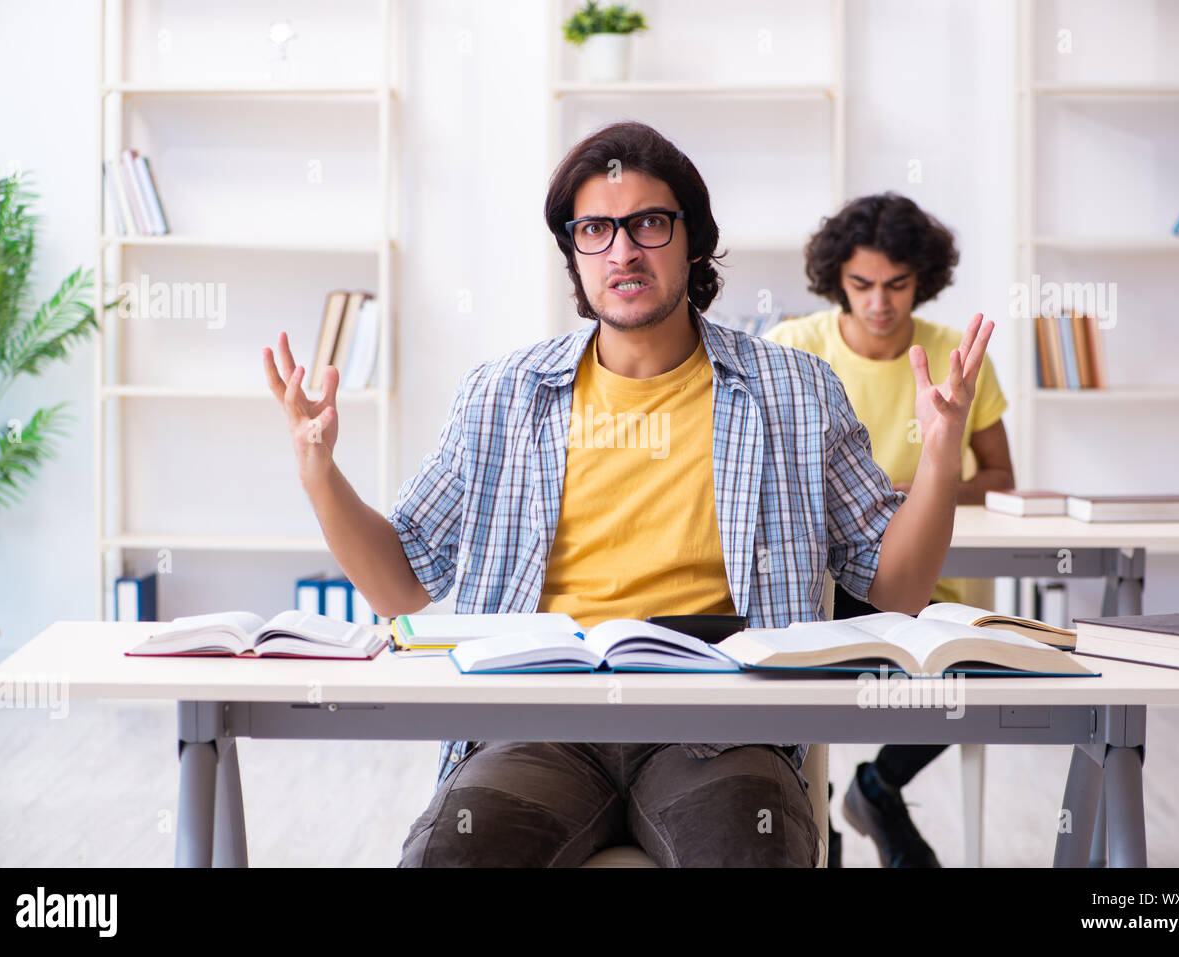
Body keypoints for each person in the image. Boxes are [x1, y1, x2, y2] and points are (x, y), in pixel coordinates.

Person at [263, 124, 994, 867]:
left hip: (723, 730)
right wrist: (319, 470)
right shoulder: (501, 395)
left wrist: (940, 453)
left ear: (693, 241)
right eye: (595, 229)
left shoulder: (795, 391)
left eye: (649, 222)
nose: (623, 250)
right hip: (537, 728)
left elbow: (897, 588)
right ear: (574, 256)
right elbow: (400, 583)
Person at [764, 192, 1013, 867]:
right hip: (821, 586)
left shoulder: (954, 356)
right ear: (835, 279)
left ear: (921, 280)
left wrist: (930, 481)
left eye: (897, 285)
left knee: (984, 667)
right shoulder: (791, 348)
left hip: (923, 581)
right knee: (781, 666)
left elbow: (998, 475)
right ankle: (818, 820)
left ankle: (879, 785)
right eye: (862, 285)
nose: (880, 302)